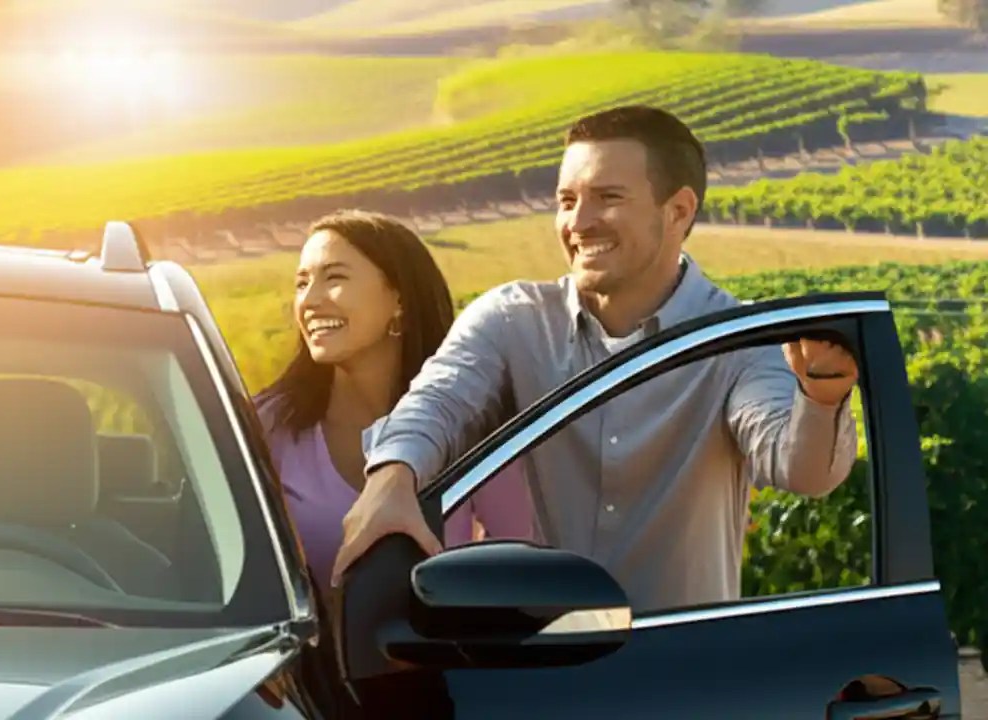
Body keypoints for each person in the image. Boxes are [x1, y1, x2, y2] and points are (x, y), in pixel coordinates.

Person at [329, 105, 861, 614]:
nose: (578, 223)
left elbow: (800, 469)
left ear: (678, 211)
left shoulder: (736, 339)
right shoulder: (513, 320)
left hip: (683, 674)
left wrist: (821, 395)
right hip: (546, 668)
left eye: (607, 196)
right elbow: (438, 400)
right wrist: (391, 478)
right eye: (565, 200)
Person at [254, 209, 539, 595]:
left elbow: (524, 568)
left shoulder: (469, 422)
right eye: (302, 283)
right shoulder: (267, 426)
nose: (311, 300)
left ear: (399, 300)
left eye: (334, 277)